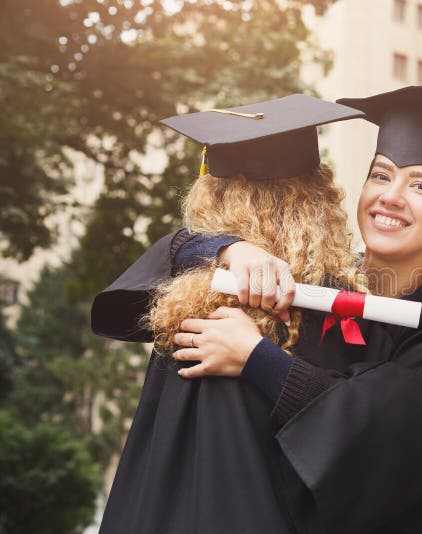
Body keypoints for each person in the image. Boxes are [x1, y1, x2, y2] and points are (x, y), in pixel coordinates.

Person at [169, 86, 422, 533]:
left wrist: (257, 359)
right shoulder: (314, 284)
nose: (392, 196)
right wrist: (230, 248)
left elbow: (381, 433)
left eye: (420, 185)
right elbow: (162, 260)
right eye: (381, 176)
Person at [91, 94, 366, 533]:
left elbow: (118, 306)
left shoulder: (182, 303)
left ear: (211, 197)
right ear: (318, 199)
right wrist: (221, 248)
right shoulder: (338, 306)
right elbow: (354, 426)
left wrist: (217, 247)